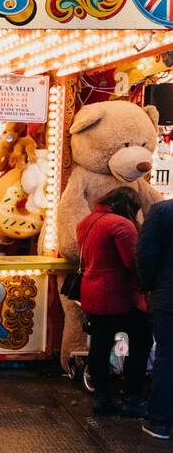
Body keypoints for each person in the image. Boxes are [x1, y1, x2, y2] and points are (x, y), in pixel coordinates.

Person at [78, 187, 153, 417]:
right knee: (141, 343)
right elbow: (133, 262)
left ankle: (102, 398)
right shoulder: (121, 225)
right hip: (119, 295)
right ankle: (132, 397)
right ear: (129, 206)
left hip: (93, 292)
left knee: (100, 346)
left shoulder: (89, 221)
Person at [136, 194, 173, 440]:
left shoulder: (162, 212)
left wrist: (147, 286)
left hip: (168, 295)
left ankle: (160, 421)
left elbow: (145, 254)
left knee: (167, 356)